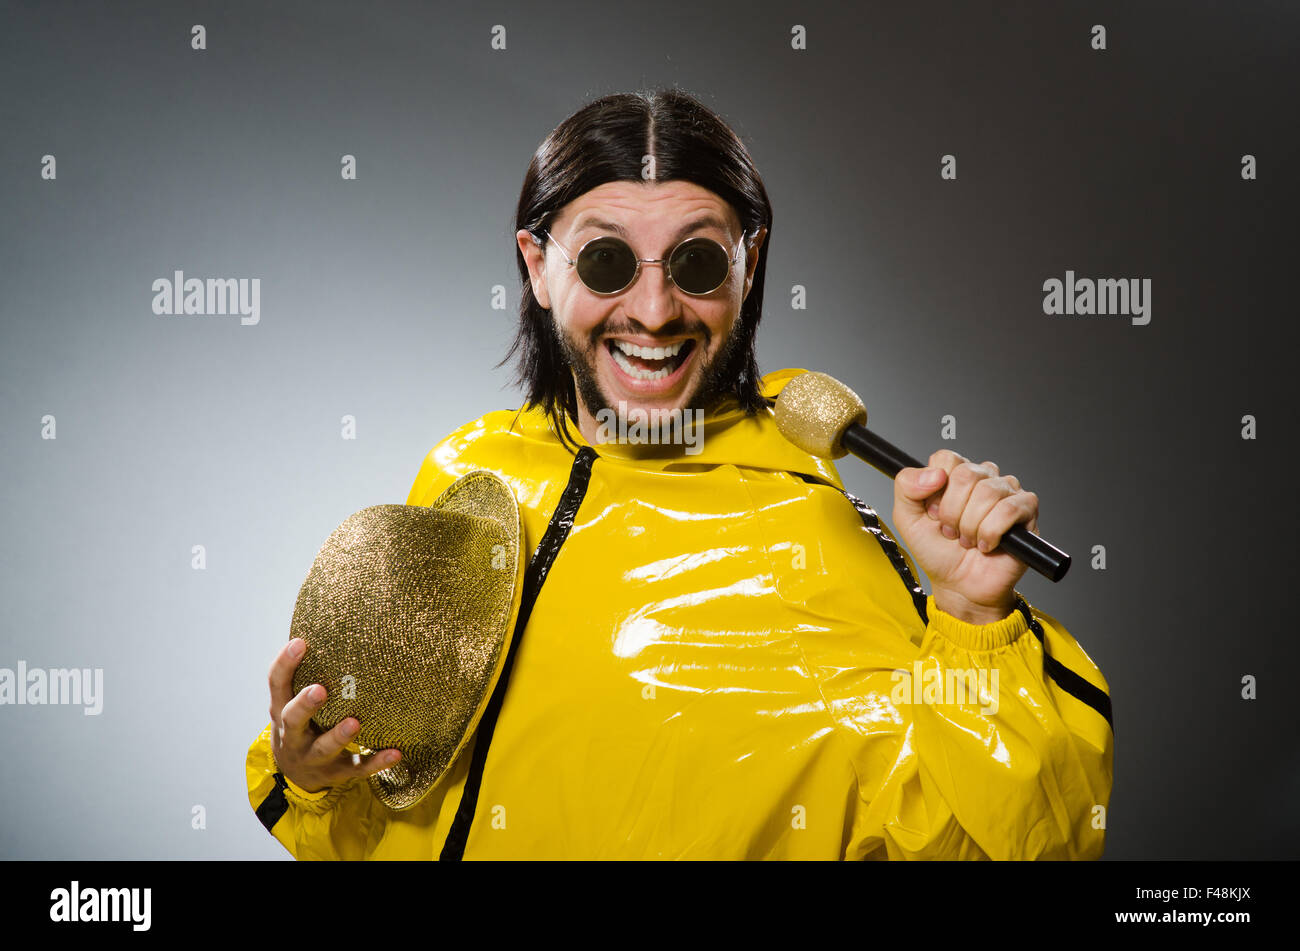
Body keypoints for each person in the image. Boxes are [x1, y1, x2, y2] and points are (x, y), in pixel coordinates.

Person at [246, 88, 1113, 860]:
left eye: (697, 262)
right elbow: (393, 812)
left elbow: (998, 845)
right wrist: (313, 774)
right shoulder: (468, 471)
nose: (654, 312)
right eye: (605, 261)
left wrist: (971, 619)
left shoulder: (812, 527)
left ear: (751, 262)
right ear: (538, 266)